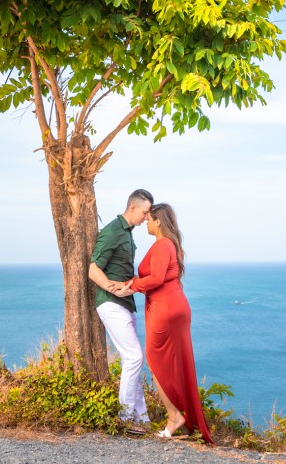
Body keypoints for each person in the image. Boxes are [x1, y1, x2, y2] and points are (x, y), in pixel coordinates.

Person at [126, 203, 213, 444]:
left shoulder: (163, 245)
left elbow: (154, 279)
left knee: (155, 363)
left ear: (159, 222)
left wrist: (130, 286)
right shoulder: (169, 245)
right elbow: (160, 277)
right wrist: (133, 282)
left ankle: (175, 417)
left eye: (149, 219)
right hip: (173, 307)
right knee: (176, 364)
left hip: (165, 310)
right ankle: (185, 421)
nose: (146, 222)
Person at [88, 189, 152, 431]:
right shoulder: (113, 231)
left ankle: (141, 419)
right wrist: (113, 289)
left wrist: (133, 284)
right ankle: (125, 418)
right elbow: (94, 269)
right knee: (135, 357)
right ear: (133, 207)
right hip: (111, 304)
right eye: (145, 212)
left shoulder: (127, 233)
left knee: (131, 359)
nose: (147, 217)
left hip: (125, 304)